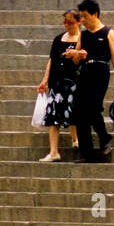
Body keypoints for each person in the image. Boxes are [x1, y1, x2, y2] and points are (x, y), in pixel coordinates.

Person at [67, 0, 114, 162]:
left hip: (100, 72)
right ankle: (87, 153)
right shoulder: (83, 35)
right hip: (85, 72)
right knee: (79, 112)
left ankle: (104, 138)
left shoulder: (108, 32)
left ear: (95, 14)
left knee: (93, 108)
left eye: (85, 16)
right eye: (82, 17)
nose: (83, 20)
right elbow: (75, 61)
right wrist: (77, 56)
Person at [37, 10, 82, 161]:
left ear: (78, 22)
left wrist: (76, 54)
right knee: (53, 116)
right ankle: (54, 151)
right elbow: (52, 60)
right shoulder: (58, 39)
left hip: (74, 81)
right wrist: (45, 80)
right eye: (65, 22)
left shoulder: (82, 39)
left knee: (74, 113)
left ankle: (75, 138)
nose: (67, 25)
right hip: (57, 82)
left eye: (70, 22)